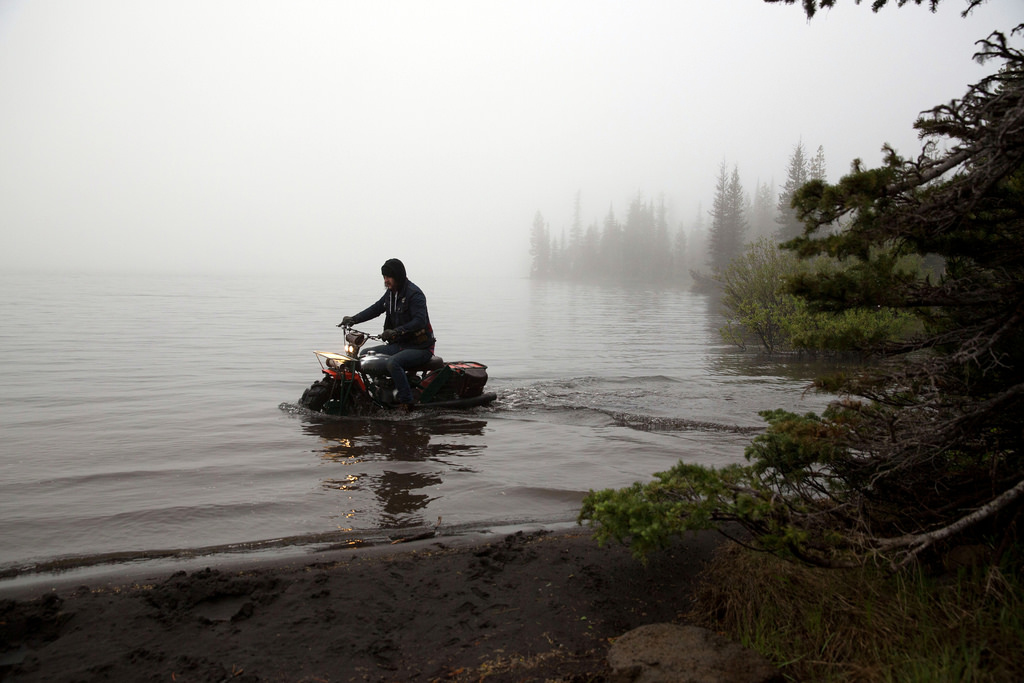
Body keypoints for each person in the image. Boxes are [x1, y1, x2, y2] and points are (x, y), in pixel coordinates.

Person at [339, 258, 435, 410]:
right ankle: (381, 392)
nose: (386, 280)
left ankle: (407, 403)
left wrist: (397, 331)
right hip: (400, 345)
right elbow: (376, 309)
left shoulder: (414, 294)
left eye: (389, 277)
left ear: (398, 276)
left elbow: (419, 321)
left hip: (420, 347)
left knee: (393, 363)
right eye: (384, 277)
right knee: (365, 355)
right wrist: (353, 319)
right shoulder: (391, 294)